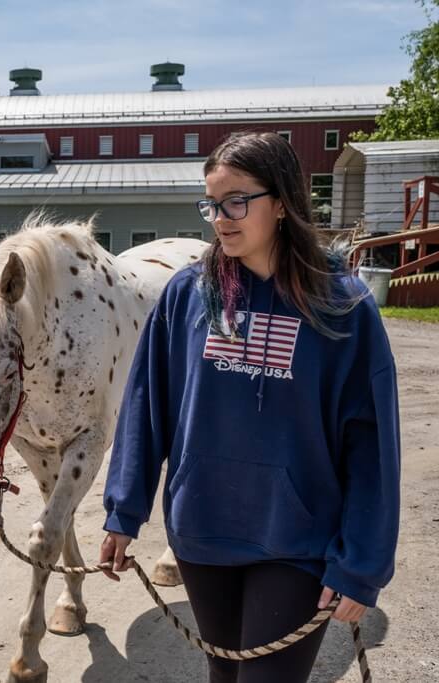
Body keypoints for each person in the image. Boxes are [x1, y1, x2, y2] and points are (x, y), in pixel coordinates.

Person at [98, 131, 400, 683]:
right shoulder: (189, 295)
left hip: (295, 539)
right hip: (202, 532)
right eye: (211, 203)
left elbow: (371, 445)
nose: (220, 217)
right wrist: (124, 512)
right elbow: (147, 407)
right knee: (225, 676)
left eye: (237, 201)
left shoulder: (344, 307)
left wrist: (361, 563)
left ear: (282, 202)